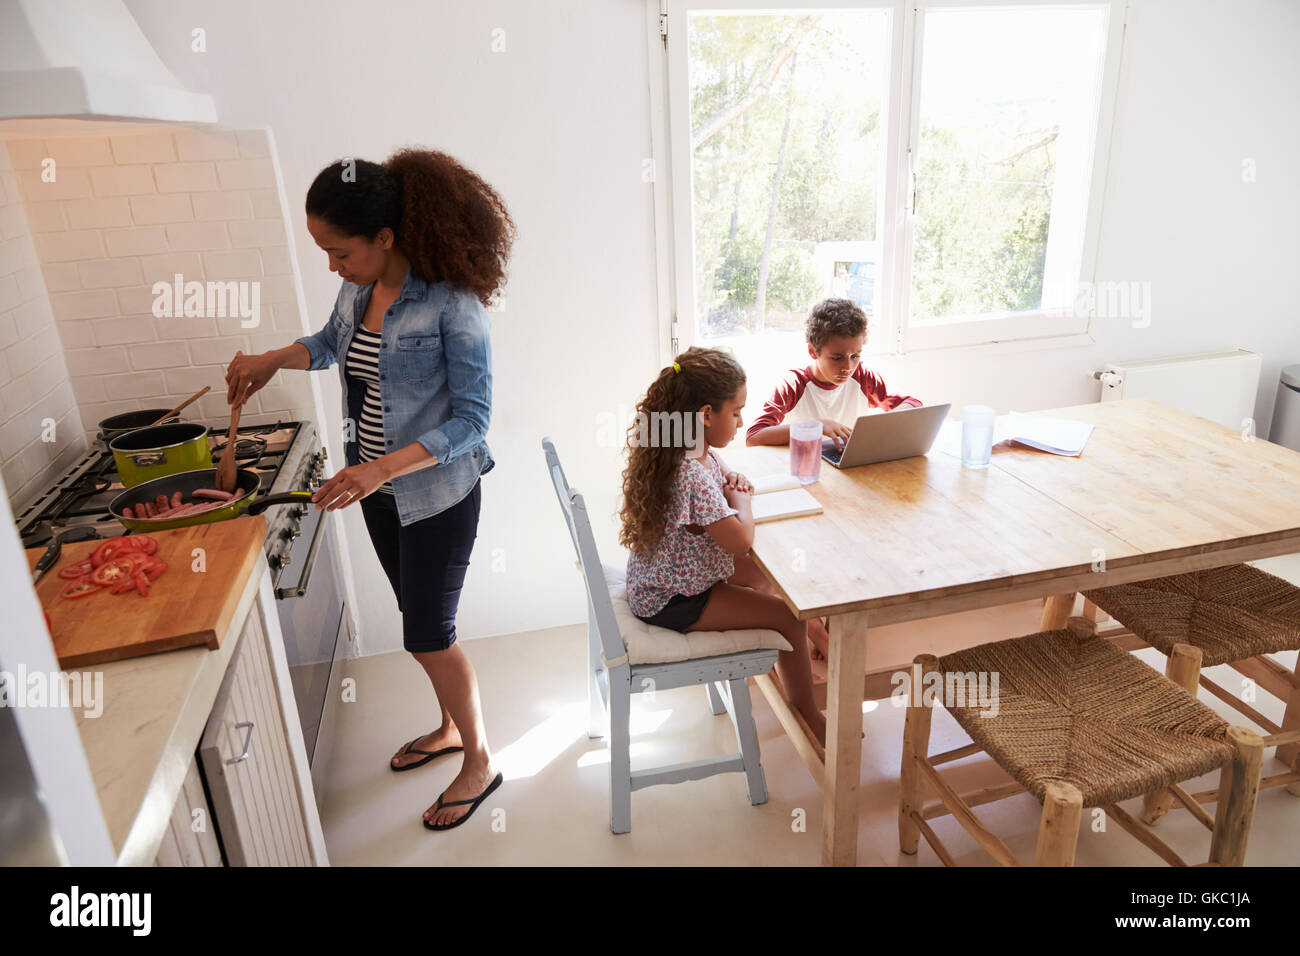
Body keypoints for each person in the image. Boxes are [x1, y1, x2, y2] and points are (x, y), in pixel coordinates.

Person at [223, 148, 514, 831]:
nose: (333, 265)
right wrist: (273, 359)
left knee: (428, 635)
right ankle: (448, 727)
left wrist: (381, 468)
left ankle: (480, 759)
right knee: (422, 625)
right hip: (376, 492)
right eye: (324, 251)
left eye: (340, 251)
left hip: (435, 494)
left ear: (385, 238)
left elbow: (473, 422)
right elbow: (329, 343)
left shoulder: (454, 305)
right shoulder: (360, 288)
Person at [619, 346, 826, 743]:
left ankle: (785, 659)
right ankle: (807, 712)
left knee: (778, 577)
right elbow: (741, 542)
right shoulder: (689, 475)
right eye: (736, 412)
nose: (741, 422)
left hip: (673, 575)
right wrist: (742, 501)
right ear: (706, 415)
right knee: (788, 614)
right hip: (673, 599)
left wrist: (734, 481)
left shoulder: (687, 448)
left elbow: (722, 469)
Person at [745, 298, 923, 660]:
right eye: (837, 357)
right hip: (801, 484)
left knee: (863, 540)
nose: (848, 366)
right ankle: (818, 631)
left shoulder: (861, 377)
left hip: (844, 485)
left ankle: (833, 620)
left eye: (856, 356)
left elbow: (906, 403)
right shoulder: (793, 384)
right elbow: (755, 435)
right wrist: (815, 426)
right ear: (813, 351)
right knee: (801, 556)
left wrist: (897, 415)